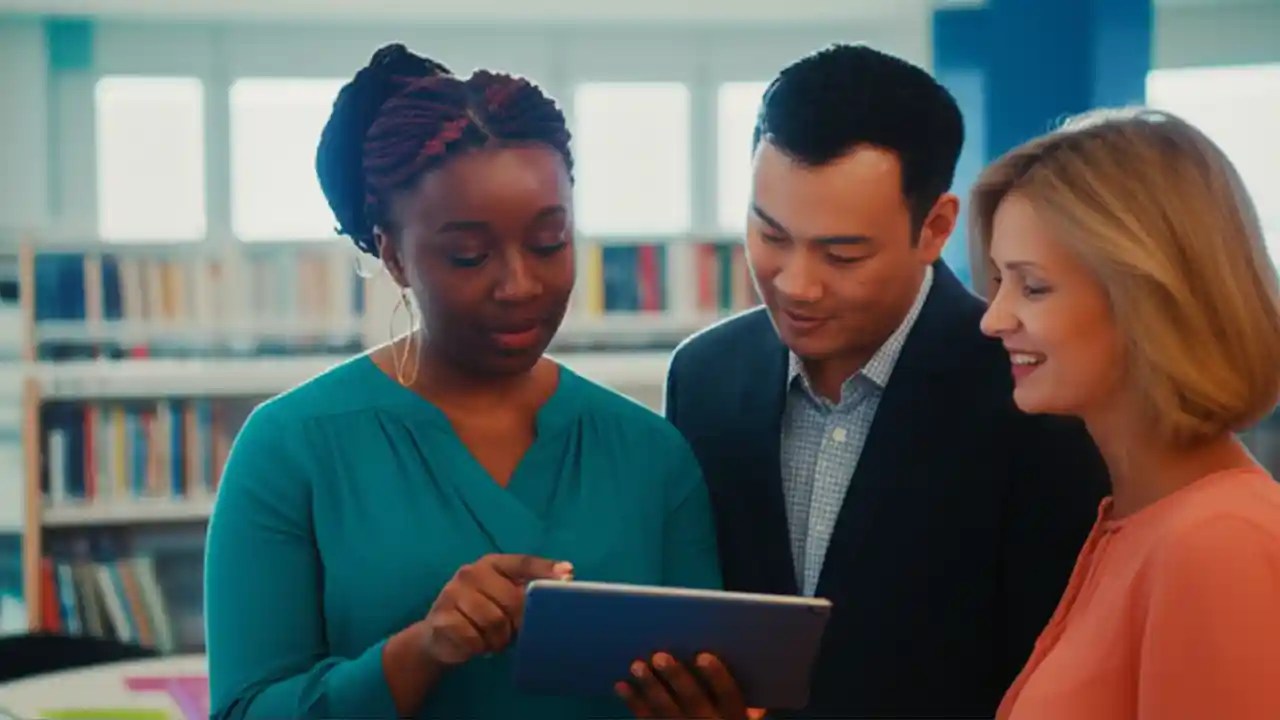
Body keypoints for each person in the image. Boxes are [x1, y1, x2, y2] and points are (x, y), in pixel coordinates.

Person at [203, 43, 721, 720]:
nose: (520, 286)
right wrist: (423, 650)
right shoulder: (292, 448)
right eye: (469, 255)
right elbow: (243, 710)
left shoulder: (651, 455)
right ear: (393, 254)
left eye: (549, 243)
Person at [637, 44, 1110, 719]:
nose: (796, 285)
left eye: (842, 254)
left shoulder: (1030, 394)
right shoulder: (705, 376)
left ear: (935, 228)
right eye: (771, 235)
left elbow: (1053, 667)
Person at [976, 109, 1280, 719]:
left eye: (1033, 287)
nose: (992, 319)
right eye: (998, 281)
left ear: (1146, 296)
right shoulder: (1136, 522)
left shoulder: (1217, 541)